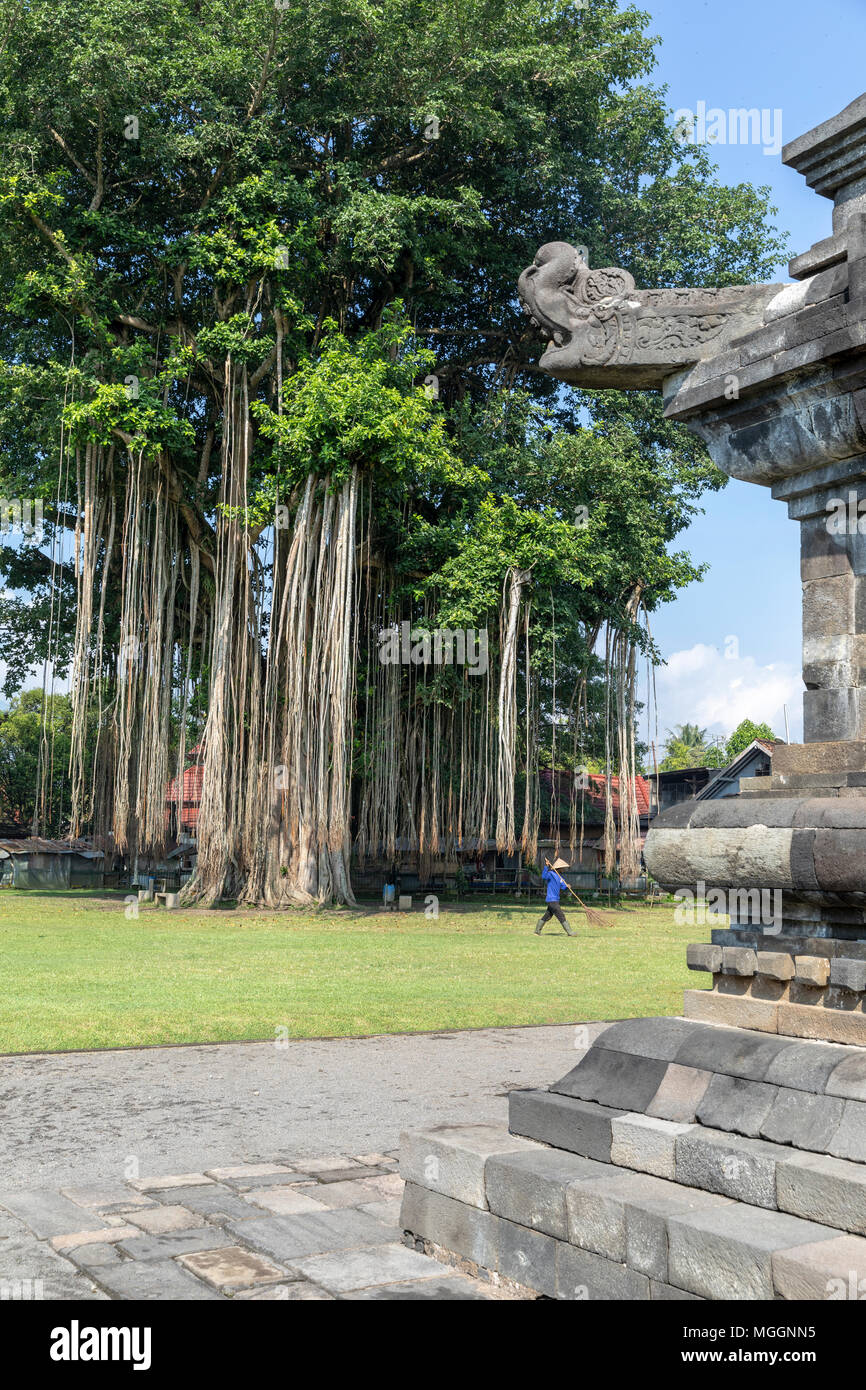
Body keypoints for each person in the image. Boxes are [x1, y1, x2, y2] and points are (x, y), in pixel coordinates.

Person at [535, 859, 574, 936]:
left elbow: (563, 887)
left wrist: (567, 886)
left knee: (547, 916)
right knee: (561, 915)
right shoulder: (551, 874)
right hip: (552, 899)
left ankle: (537, 931)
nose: (564, 869)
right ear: (559, 868)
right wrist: (546, 866)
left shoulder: (561, 878)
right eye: (563, 868)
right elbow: (543, 876)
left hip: (555, 899)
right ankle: (570, 932)